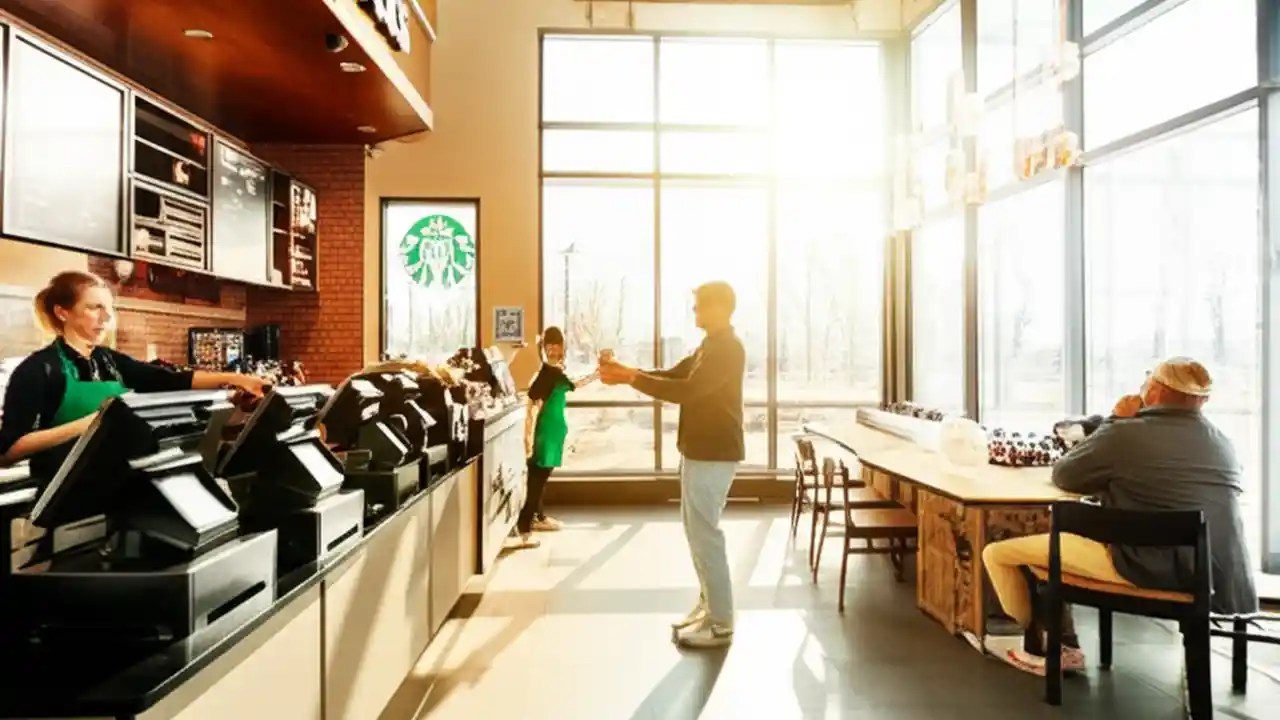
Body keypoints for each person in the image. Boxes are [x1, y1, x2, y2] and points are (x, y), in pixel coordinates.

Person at [982, 356, 1258, 674]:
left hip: (1140, 565)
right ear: (1203, 400)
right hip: (1212, 575)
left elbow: (1065, 475)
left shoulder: (1127, 432)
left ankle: (1045, 649)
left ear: (1153, 390)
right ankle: (1056, 640)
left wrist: (1115, 419)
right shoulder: (1224, 443)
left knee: (999, 553)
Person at [0, 271, 267, 482]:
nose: (106, 317)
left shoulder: (109, 361)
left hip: (119, 482)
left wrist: (240, 380)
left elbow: (169, 380)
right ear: (62, 312)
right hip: (68, 492)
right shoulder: (37, 370)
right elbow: (8, 451)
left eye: (109, 308)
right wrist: (92, 424)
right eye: (95, 308)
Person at [599, 281, 745, 649]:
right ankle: (710, 605)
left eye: (698, 306)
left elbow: (688, 391)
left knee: (706, 536)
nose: (694, 312)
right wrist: (627, 372)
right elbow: (674, 375)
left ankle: (722, 622)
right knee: (696, 534)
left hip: (713, 454)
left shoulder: (727, 349)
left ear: (719, 308)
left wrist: (631, 377)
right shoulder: (709, 346)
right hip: (698, 452)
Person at [516, 327, 597, 549]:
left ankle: (538, 517)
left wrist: (598, 373)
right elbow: (532, 404)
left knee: (539, 477)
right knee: (537, 479)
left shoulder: (555, 372)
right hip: (545, 434)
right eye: (548, 345)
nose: (552, 348)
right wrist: (528, 438)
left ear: (562, 347)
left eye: (556, 344)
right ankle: (524, 526)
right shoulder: (548, 373)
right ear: (544, 348)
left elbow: (572, 384)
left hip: (552, 432)